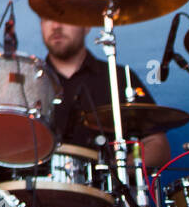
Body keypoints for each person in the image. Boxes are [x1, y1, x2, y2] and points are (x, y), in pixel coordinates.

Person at [41, 16, 170, 172]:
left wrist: (120, 172)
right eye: (47, 18)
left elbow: (157, 144)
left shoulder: (118, 77)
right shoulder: (28, 84)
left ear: (87, 25)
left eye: (65, 16)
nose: (56, 25)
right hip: (35, 192)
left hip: (108, 191)